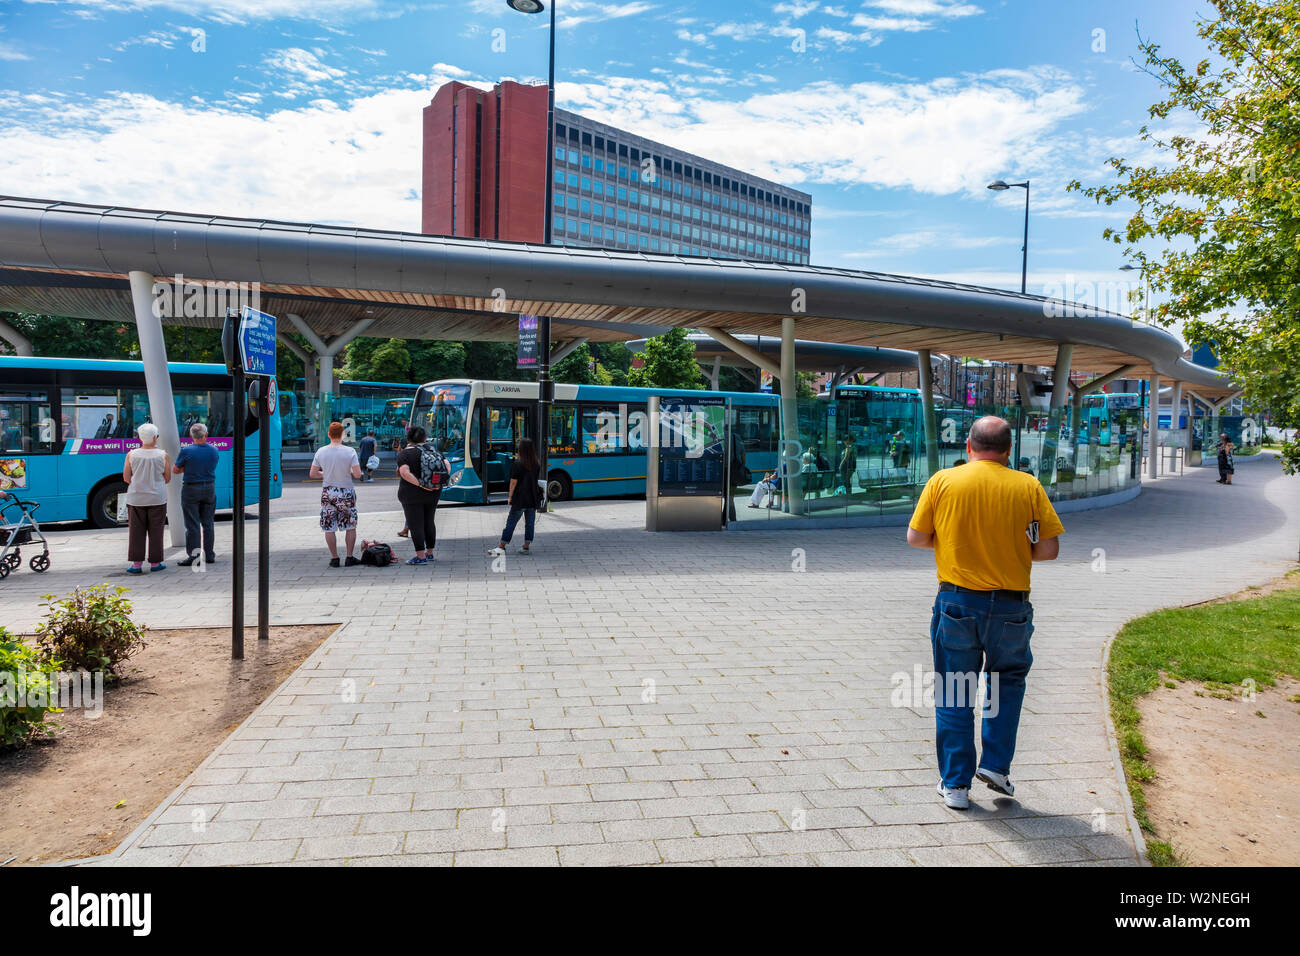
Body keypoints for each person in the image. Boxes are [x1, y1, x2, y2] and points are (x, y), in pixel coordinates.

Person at [906, 416, 1064, 811]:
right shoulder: (1027, 485)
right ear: (1009, 450)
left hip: (957, 602)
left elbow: (916, 538)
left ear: (968, 446)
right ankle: (996, 767)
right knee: (1006, 685)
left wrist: (954, 546)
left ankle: (956, 786)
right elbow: (1048, 550)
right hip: (1011, 606)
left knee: (956, 691)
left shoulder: (943, 481)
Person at [310, 421, 362, 568]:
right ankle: (349, 557)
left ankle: (334, 558)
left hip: (328, 491)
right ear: (343, 434)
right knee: (350, 525)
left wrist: (325, 473)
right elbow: (358, 474)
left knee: (329, 526)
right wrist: (350, 472)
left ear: (329, 435)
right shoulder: (350, 452)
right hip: (346, 491)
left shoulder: (320, 451)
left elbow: (313, 473)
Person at [123, 423, 171, 574]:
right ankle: (156, 563)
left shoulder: (131, 454)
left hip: (136, 498)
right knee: (156, 531)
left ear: (139, 438)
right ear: (155, 438)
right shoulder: (163, 455)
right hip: (157, 498)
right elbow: (168, 478)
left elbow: (126, 478)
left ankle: (136, 564)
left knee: (136, 531)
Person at [396, 425, 446, 565]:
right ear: (424, 438)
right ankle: (429, 554)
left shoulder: (405, 454)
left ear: (408, 438)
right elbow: (446, 466)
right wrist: (437, 483)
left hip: (411, 494)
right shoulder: (433, 451)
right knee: (429, 521)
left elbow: (405, 472)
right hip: (433, 492)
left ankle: (420, 557)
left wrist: (420, 484)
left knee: (415, 524)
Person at [173, 422, 219, 567]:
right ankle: (210, 555)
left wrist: (187, 468)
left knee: (192, 524)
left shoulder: (187, 451)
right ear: (206, 434)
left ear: (191, 435)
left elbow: (175, 470)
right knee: (208, 523)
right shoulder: (214, 450)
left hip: (191, 489)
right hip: (209, 488)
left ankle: (194, 556)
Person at [489, 438, 542, 556]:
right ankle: (526, 546)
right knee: (530, 523)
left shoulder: (518, 464)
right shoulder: (536, 464)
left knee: (511, 522)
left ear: (521, 449)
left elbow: (513, 482)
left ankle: (501, 546)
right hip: (532, 498)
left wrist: (510, 497)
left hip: (519, 498)